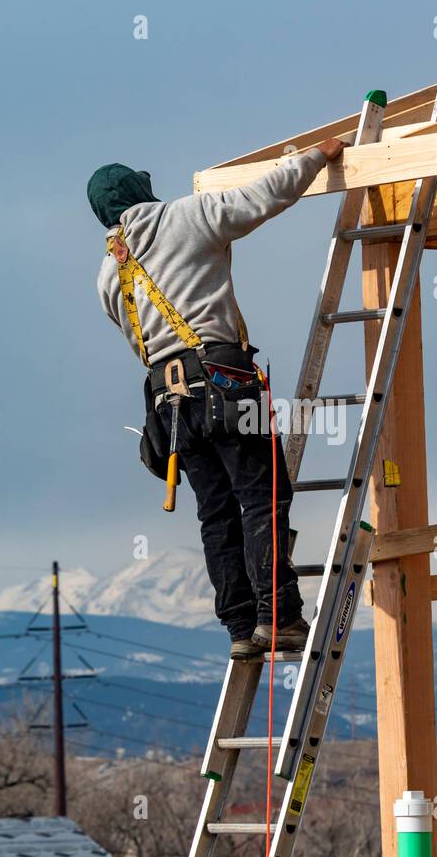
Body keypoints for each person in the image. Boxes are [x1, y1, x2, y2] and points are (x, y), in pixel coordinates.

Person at [88, 139, 346, 658]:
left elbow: (137, 338)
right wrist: (318, 156)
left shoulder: (107, 275)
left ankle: (240, 626)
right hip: (224, 382)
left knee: (217, 514)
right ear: (143, 192)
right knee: (263, 497)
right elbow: (265, 194)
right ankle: (279, 618)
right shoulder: (186, 218)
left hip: (170, 403)